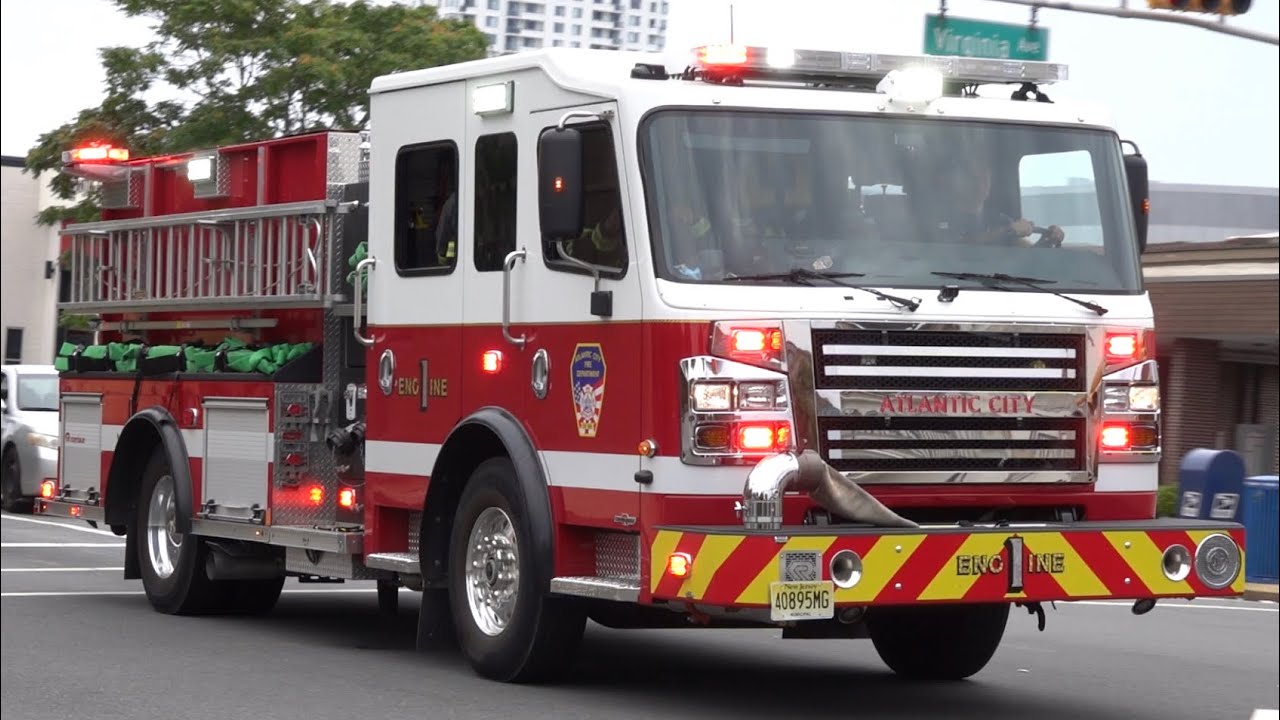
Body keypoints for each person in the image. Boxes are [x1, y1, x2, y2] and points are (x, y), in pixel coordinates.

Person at [932, 157, 1065, 248]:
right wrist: (1007, 231)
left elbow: (1028, 255)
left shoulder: (999, 219)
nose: (981, 185)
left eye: (985, 178)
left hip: (999, 280)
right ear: (957, 182)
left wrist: (1046, 241)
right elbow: (955, 249)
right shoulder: (940, 218)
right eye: (973, 178)